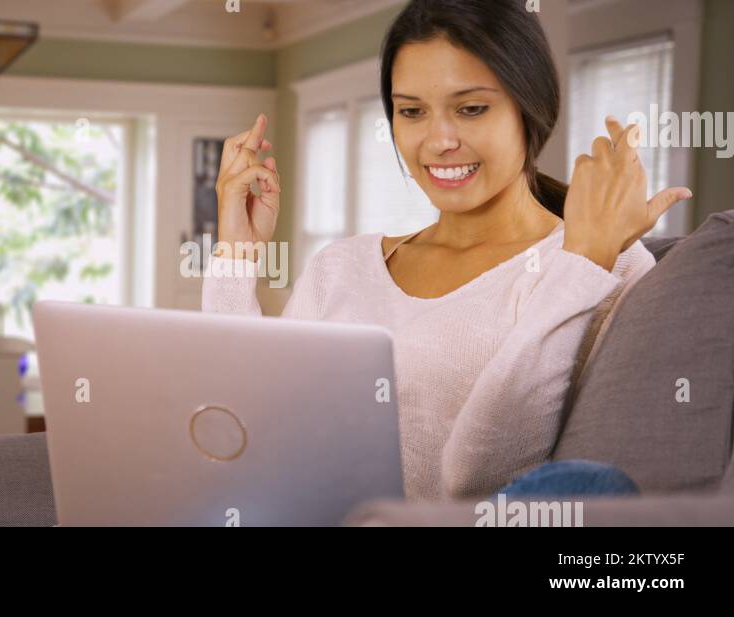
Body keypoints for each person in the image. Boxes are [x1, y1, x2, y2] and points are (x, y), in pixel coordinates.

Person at [202, 0, 692, 501]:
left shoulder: (605, 264)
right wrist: (235, 258)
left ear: (531, 109)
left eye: (471, 108)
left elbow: (475, 481)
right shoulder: (340, 267)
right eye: (412, 111)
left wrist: (584, 261)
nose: (438, 141)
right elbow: (236, 433)